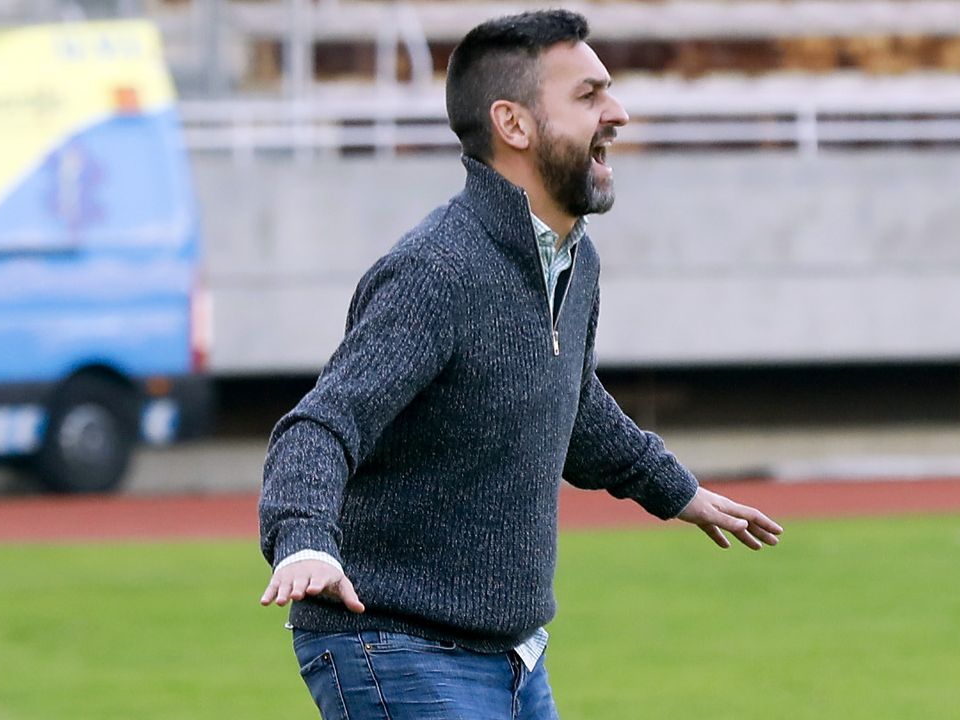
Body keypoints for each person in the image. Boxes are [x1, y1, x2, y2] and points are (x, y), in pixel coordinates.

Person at [258, 9, 783, 719]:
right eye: (589, 95)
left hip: (513, 655)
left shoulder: (576, 260)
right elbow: (319, 426)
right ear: (514, 124)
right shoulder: (436, 271)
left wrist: (675, 490)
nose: (618, 113)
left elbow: (570, 402)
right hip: (394, 648)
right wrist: (302, 543)